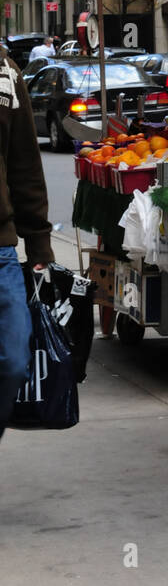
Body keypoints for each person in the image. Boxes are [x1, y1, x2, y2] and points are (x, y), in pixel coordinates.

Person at [0, 46, 54, 441]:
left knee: (12, 363)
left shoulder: (5, 73)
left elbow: (24, 163)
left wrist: (38, 241)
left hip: (0, 250)